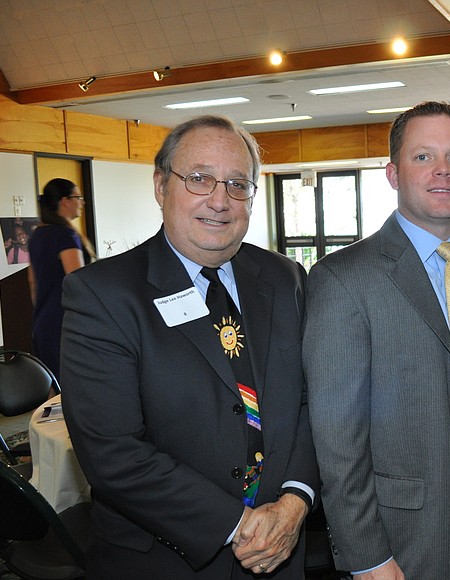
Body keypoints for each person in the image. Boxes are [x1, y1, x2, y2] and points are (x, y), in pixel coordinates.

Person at [61, 115, 319, 579]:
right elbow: (113, 453)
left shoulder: (286, 280)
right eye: (199, 179)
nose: (219, 201)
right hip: (166, 559)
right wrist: (238, 525)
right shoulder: (102, 294)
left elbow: (308, 404)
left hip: (282, 547)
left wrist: (295, 501)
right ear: (161, 185)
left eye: (238, 184)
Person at [303, 101, 450, 579]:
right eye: (423, 157)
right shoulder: (342, 279)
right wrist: (367, 556)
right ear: (392, 173)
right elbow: (336, 438)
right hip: (402, 541)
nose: (443, 171)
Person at [28, 178, 94, 377]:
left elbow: (32, 282)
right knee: (73, 382)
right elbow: (77, 282)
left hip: (43, 320)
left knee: (54, 385)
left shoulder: (37, 234)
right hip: (65, 320)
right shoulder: (65, 235)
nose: (82, 202)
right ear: (64, 201)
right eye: (78, 197)